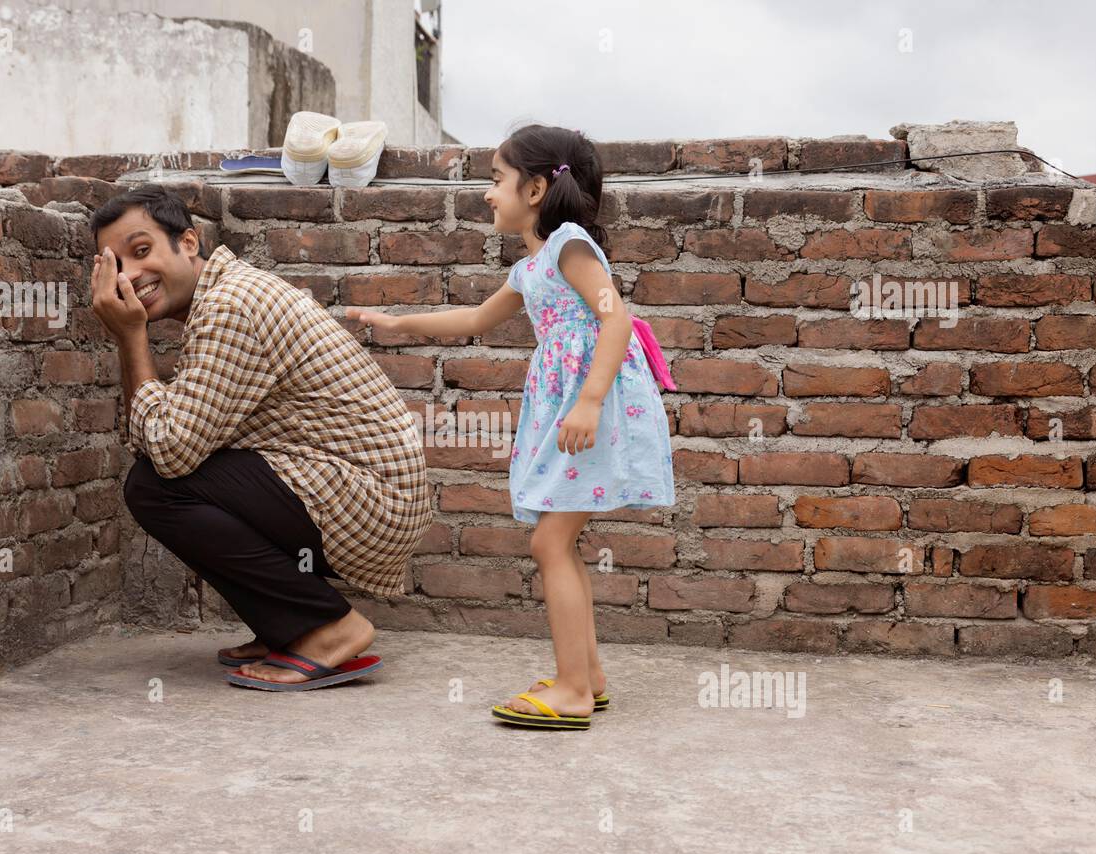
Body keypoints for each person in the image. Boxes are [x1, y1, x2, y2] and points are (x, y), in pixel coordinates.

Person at [350, 124, 675, 729]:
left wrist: (589, 400)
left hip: (594, 410)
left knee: (550, 542)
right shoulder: (532, 267)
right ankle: (589, 677)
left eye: (495, 179)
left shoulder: (570, 246)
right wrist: (397, 323)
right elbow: (474, 318)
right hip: (574, 407)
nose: (486, 193)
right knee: (560, 540)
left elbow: (617, 319)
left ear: (533, 189)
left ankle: (574, 689)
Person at [88, 185, 432, 691]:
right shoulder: (224, 294)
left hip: (370, 499)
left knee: (156, 486)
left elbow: (166, 448)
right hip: (350, 489)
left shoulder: (230, 306)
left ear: (188, 242)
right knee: (179, 473)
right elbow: (179, 437)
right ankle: (285, 627)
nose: (131, 275)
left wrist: (130, 338)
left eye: (142, 252)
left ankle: (329, 629)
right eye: (116, 265)